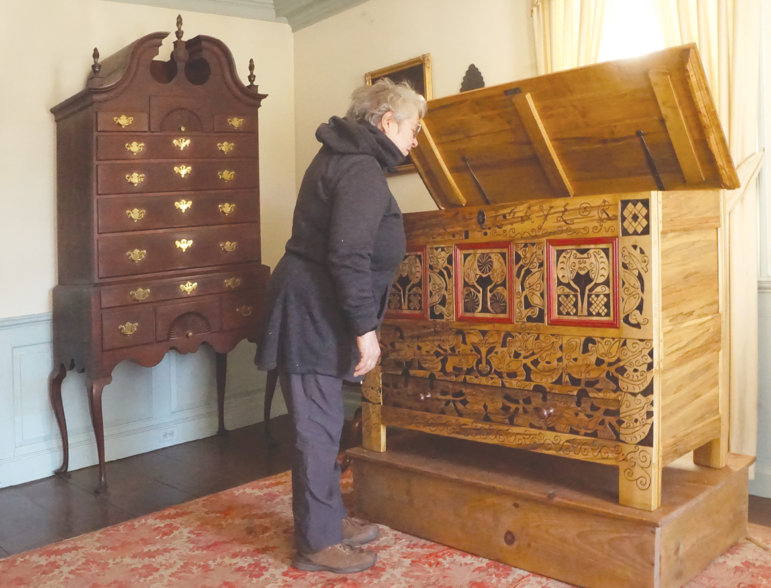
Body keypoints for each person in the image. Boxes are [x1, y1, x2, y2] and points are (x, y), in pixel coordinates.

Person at [255, 78, 427, 574]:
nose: (416, 139)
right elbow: (348, 255)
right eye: (413, 127)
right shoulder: (359, 170)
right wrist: (365, 330)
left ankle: (327, 521)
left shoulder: (348, 157)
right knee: (317, 429)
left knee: (324, 424)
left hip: (315, 308)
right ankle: (316, 544)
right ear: (386, 122)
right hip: (311, 312)